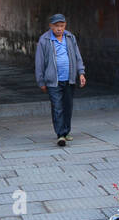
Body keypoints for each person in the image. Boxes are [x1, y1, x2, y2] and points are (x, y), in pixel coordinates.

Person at [34, 13, 86, 147]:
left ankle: (66, 131)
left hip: (69, 79)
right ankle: (60, 135)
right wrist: (41, 81)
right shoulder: (44, 40)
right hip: (53, 80)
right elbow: (39, 62)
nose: (59, 29)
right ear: (51, 26)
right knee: (57, 107)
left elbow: (77, 56)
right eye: (56, 26)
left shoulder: (70, 37)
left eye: (62, 26)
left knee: (67, 106)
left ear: (65, 26)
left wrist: (81, 73)